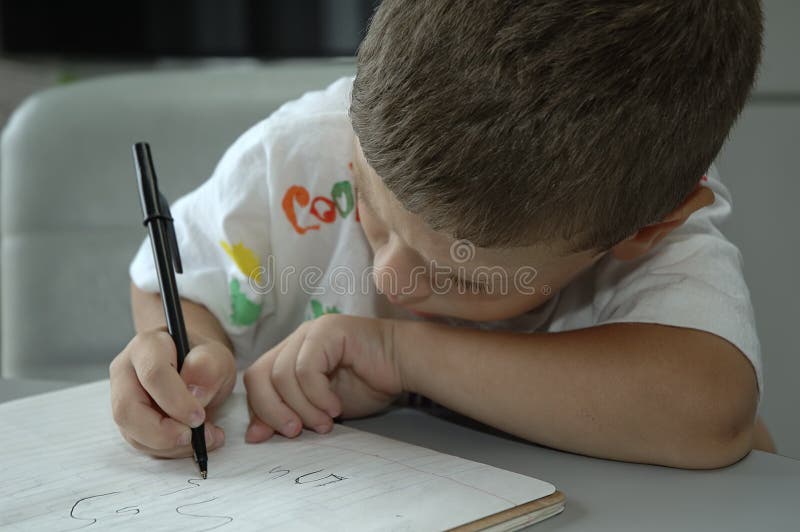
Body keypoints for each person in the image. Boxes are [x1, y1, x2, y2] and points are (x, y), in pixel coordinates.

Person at [110, 0, 775, 469]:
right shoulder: (297, 157)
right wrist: (185, 348)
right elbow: (170, 282)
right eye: (369, 205)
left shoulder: (627, 196)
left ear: (645, 231)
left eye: (464, 276)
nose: (389, 279)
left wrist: (404, 357)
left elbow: (712, 413)